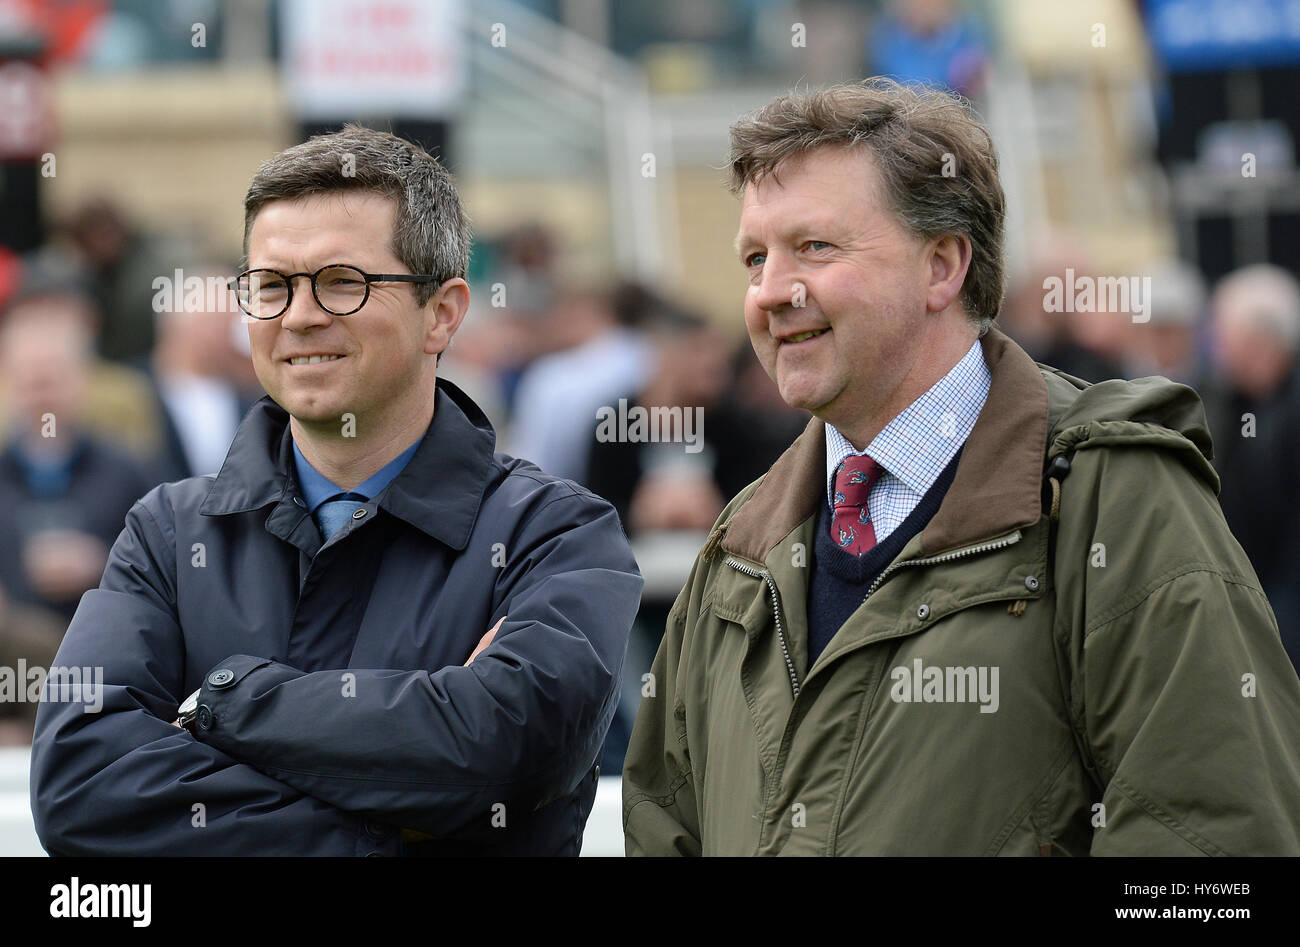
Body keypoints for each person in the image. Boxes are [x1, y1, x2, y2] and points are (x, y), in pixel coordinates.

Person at [621, 80, 1300, 856]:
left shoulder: (1115, 499)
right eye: (754, 258)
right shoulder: (740, 546)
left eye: (815, 247)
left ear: (942, 266)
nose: (771, 292)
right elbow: (659, 824)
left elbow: (1217, 851)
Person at [31, 125, 643, 856]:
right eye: (271, 285)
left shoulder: (558, 535)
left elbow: (514, 746)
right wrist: (408, 823)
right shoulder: (169, 533)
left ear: (442, 312)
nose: (298, 316)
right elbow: (78, 787)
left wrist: (224, 702)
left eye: (342, 283)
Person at [0, 290, 158, 623]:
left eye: (53, 378)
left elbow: (166, 566)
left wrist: (101, 560)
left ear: (82, 378)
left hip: (107, 654)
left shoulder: (129, 474)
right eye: (31, 380)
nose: (42, 395)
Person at [1202, 264, 1300, 670]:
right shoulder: (1233, 400)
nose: (1216, 349)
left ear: (1261, 339)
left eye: (1224, 336)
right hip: (1256, 580)